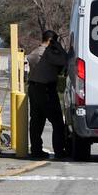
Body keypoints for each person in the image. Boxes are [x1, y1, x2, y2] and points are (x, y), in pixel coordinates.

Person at [26, 29, 68, 159]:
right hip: (46, 90)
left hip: (33, 88)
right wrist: (59, 47)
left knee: (36, 121)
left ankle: (36, 150)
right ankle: (59, 151)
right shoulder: (48, 53)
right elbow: (65, 61)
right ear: (51, 41)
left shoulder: (34, 52)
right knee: (57, 122)